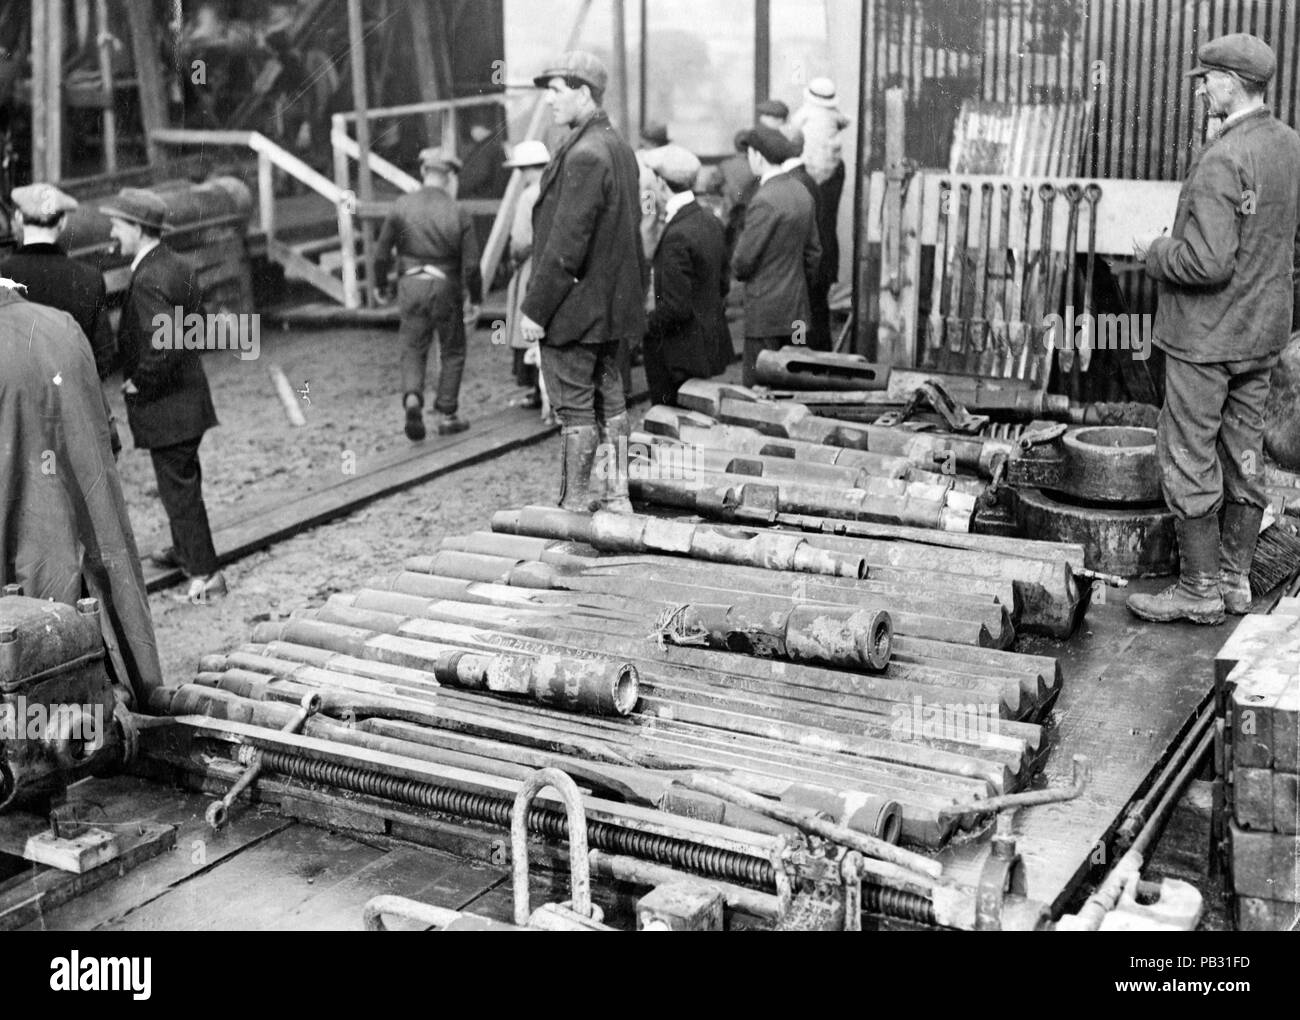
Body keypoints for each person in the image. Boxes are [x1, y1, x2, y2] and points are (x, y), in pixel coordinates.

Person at [1126, 33, 1300, 625]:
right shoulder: (1288, 146)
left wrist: (1153, 251)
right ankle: (1234, 580)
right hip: (1262, 334)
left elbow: (1206, 262)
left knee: (1189, 454)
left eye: (1206, 78)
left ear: (1230, 82)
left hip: (1206, 341)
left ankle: (1198, 589)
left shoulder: (1223, 158)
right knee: (1245, 452)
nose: (1201, 88)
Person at [0, 276, 163, 706]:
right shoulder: (63, 326)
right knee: (109, 607)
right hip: (88, 516)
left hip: (22, 534)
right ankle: (136, 693)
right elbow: (107, 435)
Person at [520, 50, 646, 514]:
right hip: (611, 313)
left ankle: (575, 508)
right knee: (612, 402)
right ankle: (617, 499)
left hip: (576, 312)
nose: (549, 101)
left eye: (556, 91)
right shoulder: (617, 148)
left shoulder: (586, 155)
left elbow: (566, 245)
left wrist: (535, 310)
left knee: (575, 411)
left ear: (584, 93)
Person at [102, 187, 225, 604]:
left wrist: (140, 381)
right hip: (190, 399)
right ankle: (183, 550)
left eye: (118, 224)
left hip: (169, 407)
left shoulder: (150, 276)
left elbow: (165, 343)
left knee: (179, 492)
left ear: (137, 228)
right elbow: (197, 328)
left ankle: (207, 576)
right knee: (184, 483)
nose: (113, 231)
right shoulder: (177, 263)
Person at [374, 147, 483, 440]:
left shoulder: (400, 205)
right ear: (448, 177)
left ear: (423, 172)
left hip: (410, 286)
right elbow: (471, 265)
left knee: (412, 347)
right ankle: (448, 414)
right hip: (445, 286)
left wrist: (379, 285)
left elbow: (381, 252)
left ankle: (412, 398)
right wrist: (476, 298)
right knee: (452, 349)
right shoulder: (458, 211)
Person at [641, 144, 731, 406]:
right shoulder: (709, 220)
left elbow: (675, 307)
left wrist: (643, 328)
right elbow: (722, 284)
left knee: (670, 424)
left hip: (677, 354)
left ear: (661, 183)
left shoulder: (677, 234)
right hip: (705, 345)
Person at [731, 125, 820, 386]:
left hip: (765, 315)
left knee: (758, 389)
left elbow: (742, 263)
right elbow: (814, 254)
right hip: (797, 312)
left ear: (758, 156)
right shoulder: (801, 191)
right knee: (794, 382)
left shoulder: (764, 199)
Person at [0, 182, 115, 379]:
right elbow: (104, 356)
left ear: (18, 218)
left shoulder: (3, 275)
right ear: (62, 222)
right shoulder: (89, 278)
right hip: (71, 399)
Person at [788, 79, 849, 350]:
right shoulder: (838, 168)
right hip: (827, 251)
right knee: (819, 304)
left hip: (805, 254)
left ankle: (802, 351)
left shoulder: (800, 179)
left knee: (803, 307)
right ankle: (822, 352)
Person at [502, 139, 551, 409]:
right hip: (556, 262)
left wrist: (513, 258)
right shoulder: (559, 186)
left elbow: (520, 240)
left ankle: (535, 386)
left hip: (532, 263)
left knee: (526, 323)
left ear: (525, 168)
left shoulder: (529, 194)